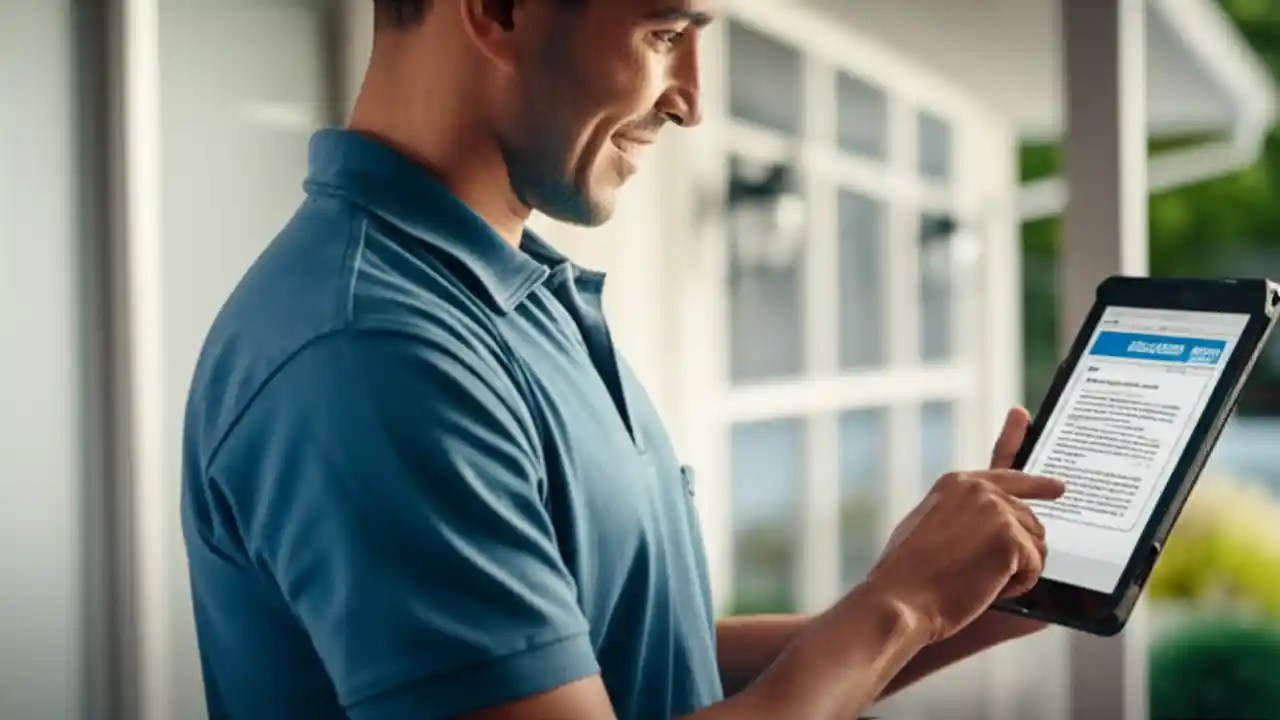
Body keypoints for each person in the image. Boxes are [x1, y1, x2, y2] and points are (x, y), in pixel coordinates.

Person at [180, 0, 1066, 718]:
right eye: (665, 34)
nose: (691, 102)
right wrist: (901, 605)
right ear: (498, 10)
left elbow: (626, 664)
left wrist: (966, 606)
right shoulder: (379, 357)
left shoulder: (504, 299)